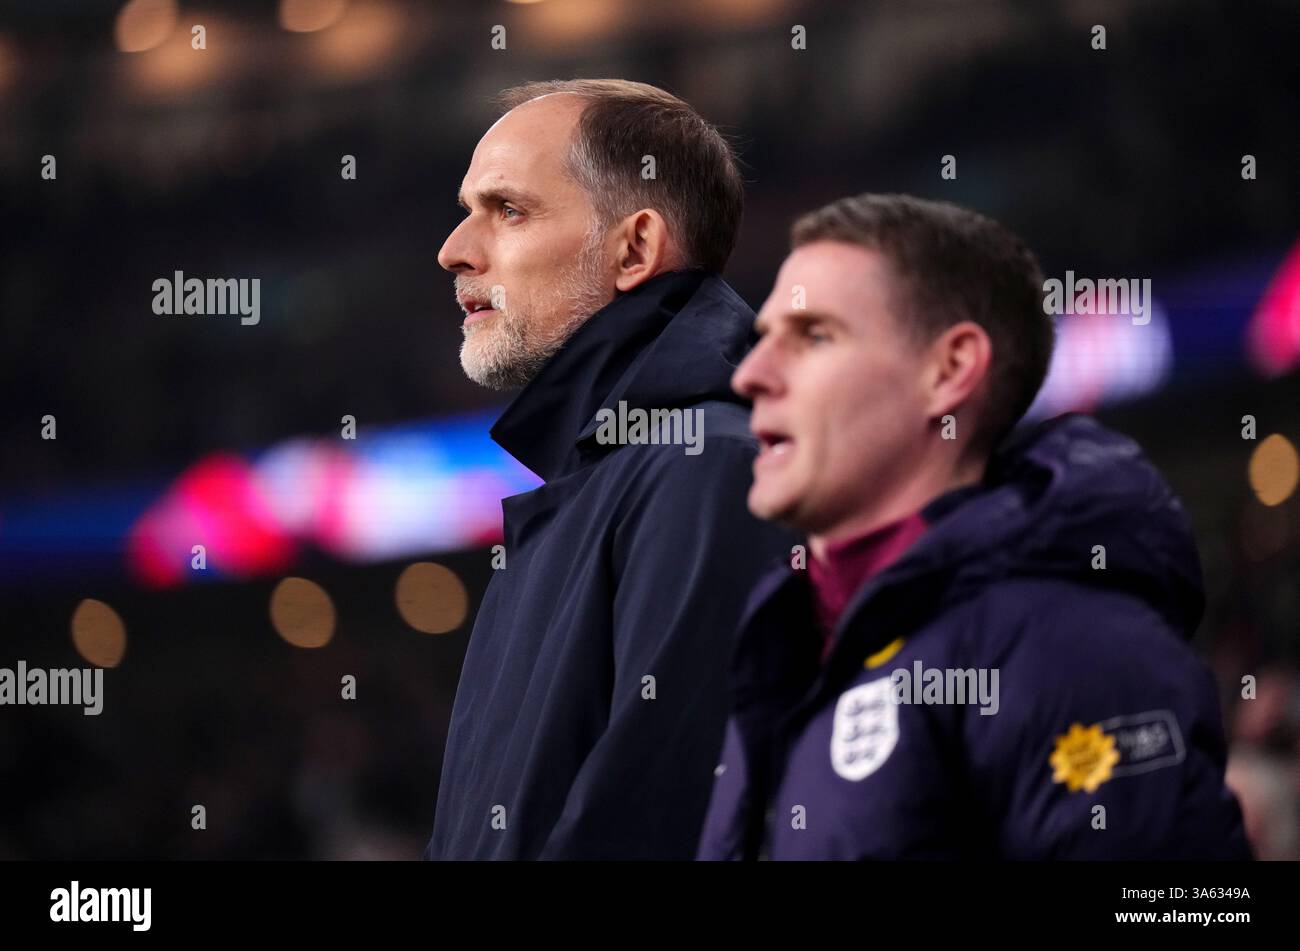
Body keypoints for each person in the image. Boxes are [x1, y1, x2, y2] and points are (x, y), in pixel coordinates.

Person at [697, 193, 1251, 859]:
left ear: (951, 371)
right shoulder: (785, 644)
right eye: (762, 339)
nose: (752, 375)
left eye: (814, 335)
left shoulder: (1070, 650)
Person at [424, 79, 791, 859]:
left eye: (507, 209)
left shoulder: (707, 465)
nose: (454, 249)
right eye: (467, 209)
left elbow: (661, 823)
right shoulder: (604, 479)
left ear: (634, 249)